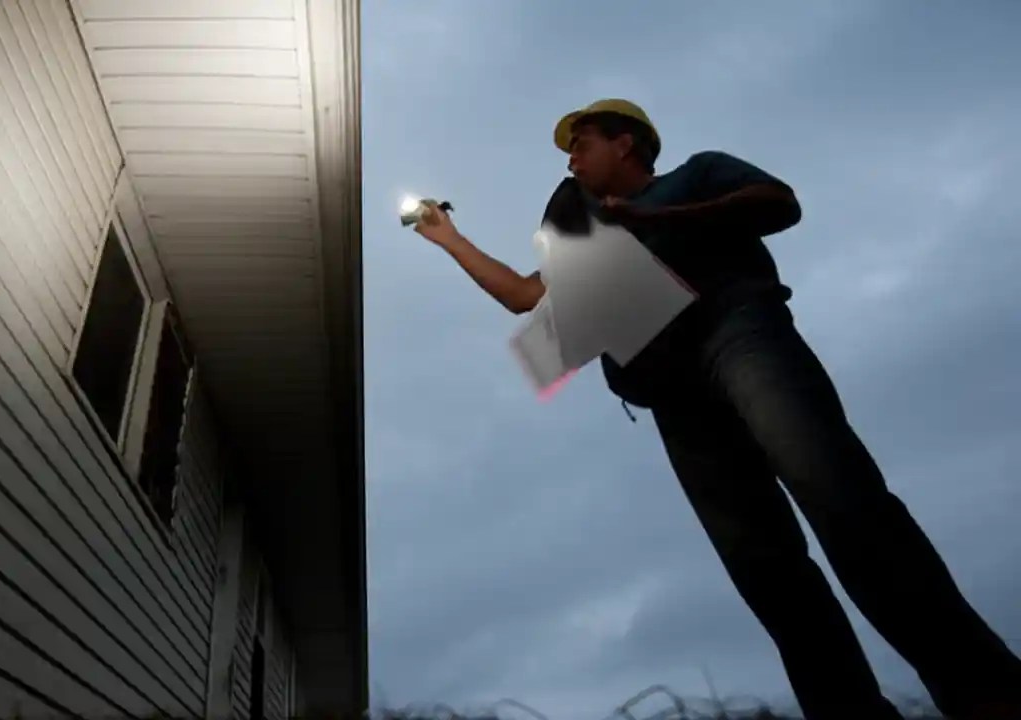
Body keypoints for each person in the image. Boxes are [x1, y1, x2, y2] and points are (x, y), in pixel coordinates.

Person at [411, 98, 1021, 720]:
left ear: (626, 144)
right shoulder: (584, 221)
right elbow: (524, 296)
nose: (571, 158)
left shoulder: (696, 173)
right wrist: (449, 238)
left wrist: (662, 218)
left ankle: (985, 691)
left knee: (840, 497)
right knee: (762, 562)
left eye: (583, 143)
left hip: (737, 329)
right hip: (669, 385)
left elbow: (778, 202)